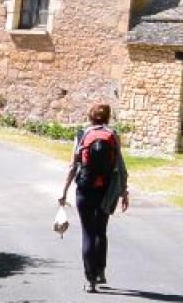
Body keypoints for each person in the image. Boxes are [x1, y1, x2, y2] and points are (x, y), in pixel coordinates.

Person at [59, 102, 130, 292]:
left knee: (88, 233)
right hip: (106, 190)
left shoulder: (82, 135)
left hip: (85, 189)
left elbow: (73, 166)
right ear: (108, 118)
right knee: (101, 230)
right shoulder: (113, 136)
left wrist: (64, 191)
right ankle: (100, 271)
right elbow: (120, 167)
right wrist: (124, 191)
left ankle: (90, 280)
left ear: (90, 117)